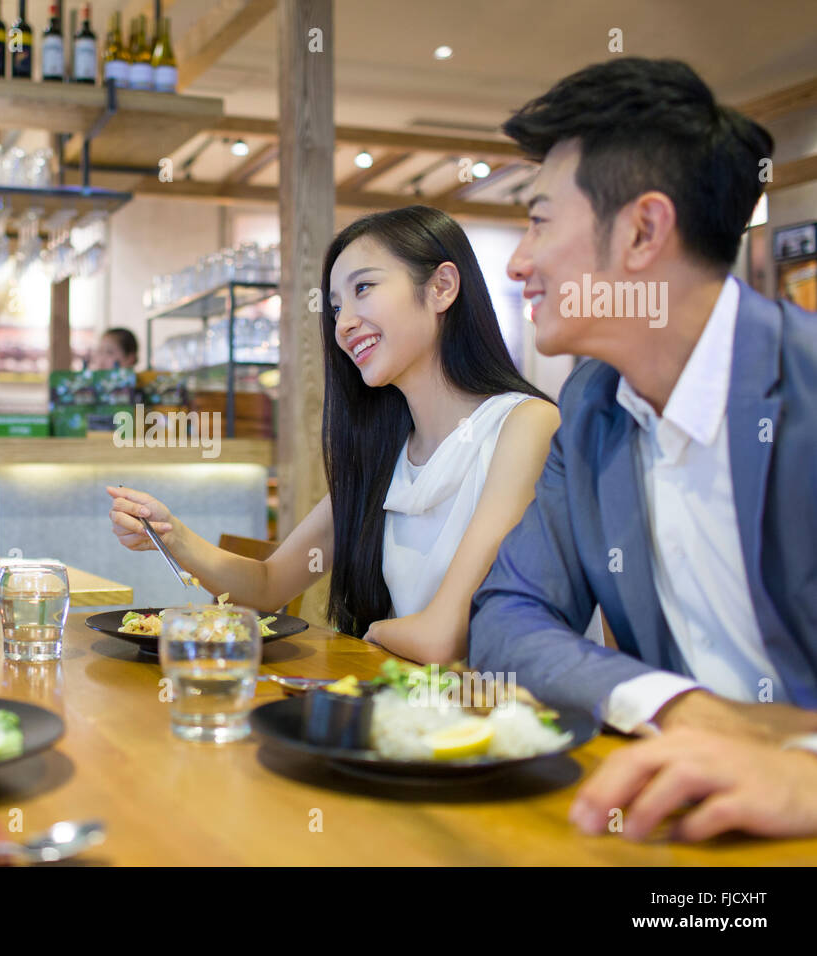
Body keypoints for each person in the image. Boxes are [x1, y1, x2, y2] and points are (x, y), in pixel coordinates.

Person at [466, 57, 817, 838]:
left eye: (539, 221)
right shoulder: (592, 406)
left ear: (643, 230)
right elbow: (507, 614)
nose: (520, 264)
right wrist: (678, 706)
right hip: (690, 829)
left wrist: (802, 775)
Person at [109, 206, 558, 661]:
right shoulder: (384, 453)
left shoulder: (524, 424)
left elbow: (442, 637)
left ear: (442, 287)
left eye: (364, 288)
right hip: (415, 713)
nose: (342, 324)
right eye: (337, 306)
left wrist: (368, 638)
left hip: (514, 719)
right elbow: (268, 586)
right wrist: (172, 535)